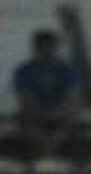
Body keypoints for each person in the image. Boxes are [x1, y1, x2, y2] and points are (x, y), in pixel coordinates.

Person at [12, 29, 83, 157]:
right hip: (35, 113)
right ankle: (45, 150)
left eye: (50, 47)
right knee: (26, 119)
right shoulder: (24, 70)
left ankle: (50, 151)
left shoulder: (66, 70)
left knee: (69, 119)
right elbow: (25, 98)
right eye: (42, 47)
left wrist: (57, 112)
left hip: (60, 114)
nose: (47, 51)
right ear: (36, 48)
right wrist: (41, 113)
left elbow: (72, 97)